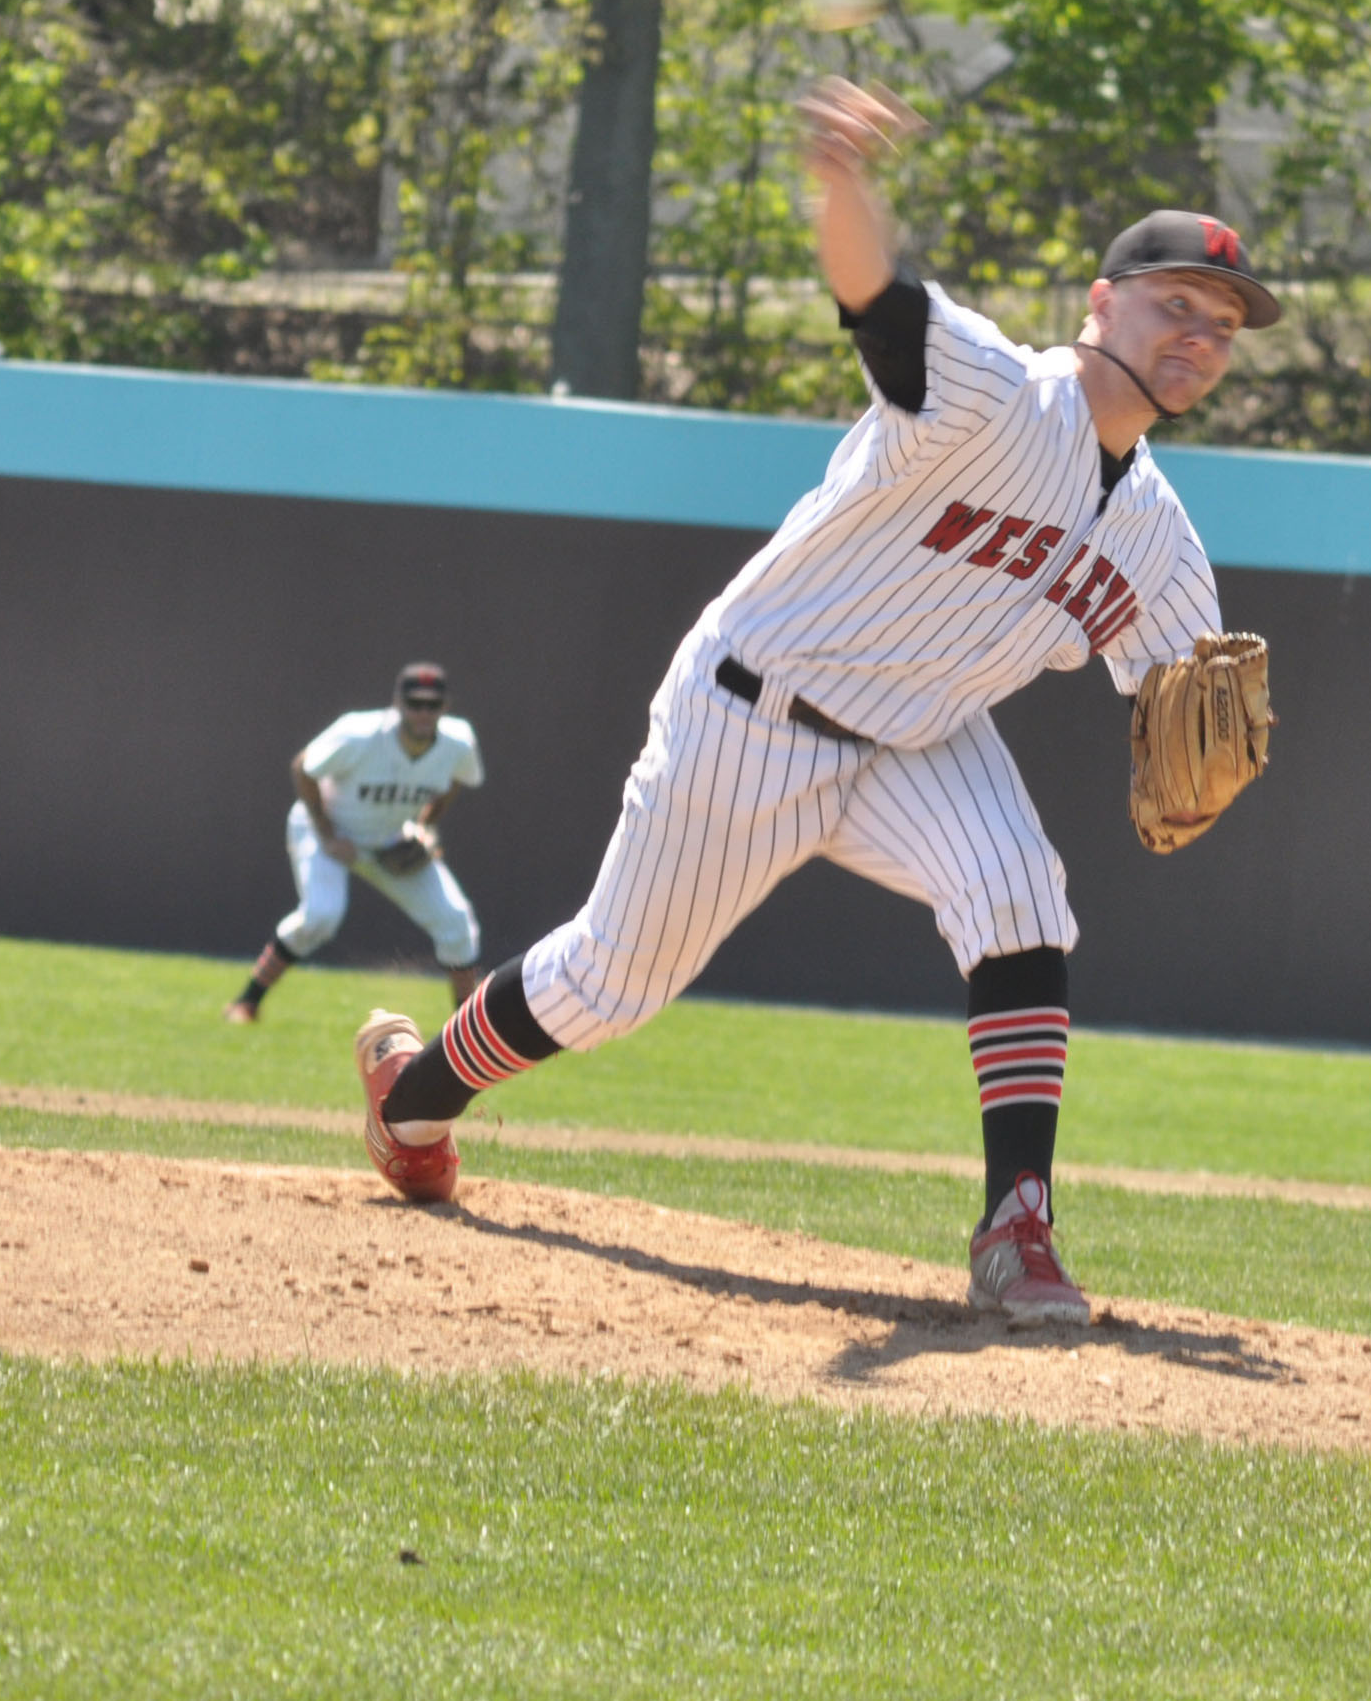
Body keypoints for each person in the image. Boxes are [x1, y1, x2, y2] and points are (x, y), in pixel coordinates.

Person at [352, 79, 1278, 1327]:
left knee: (1021, 894)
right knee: (612, 982)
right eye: (1178, 306)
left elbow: (1182, 703)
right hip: (753, 710)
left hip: (919, 735)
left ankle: (1019, 1227)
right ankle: (414, 1097)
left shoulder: (1161, 542)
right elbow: (881, 308)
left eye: (1222, 325)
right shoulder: (999, 392)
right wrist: (842, 181)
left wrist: (1210, 765)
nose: (1199, 339)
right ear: (1102, 304)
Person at [225, 662, 486, 1023]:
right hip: (330, 829)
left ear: (445, 706)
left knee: (456, 921)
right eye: (415, 704)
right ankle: (247, 1001)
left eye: (432, 704)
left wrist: (426, 825)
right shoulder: (359, 733)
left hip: (390, 838)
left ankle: (467, 1031)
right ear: (398, 703)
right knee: (321, 915)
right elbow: (303, 767)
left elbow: (456, 779)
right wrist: (329, 835)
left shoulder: (458, 742)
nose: (423, 713)